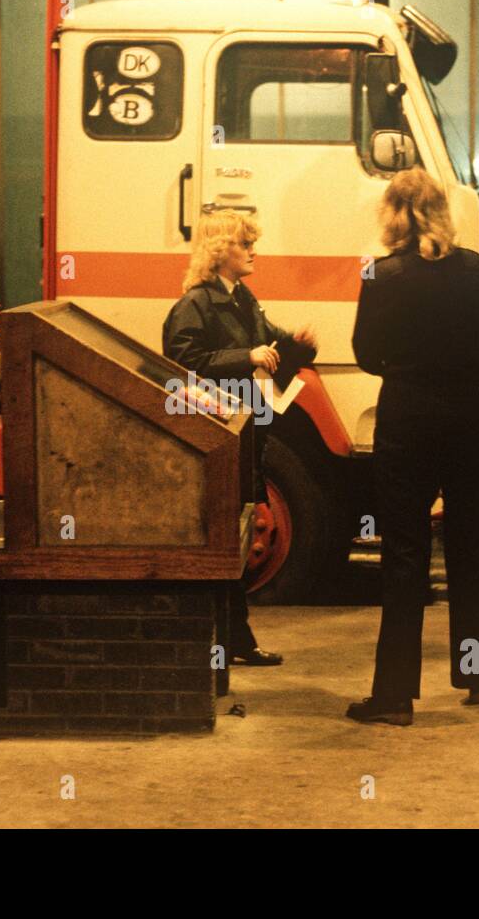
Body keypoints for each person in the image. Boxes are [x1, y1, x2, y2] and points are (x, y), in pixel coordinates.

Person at [346, 168, 479, 726]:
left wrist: (402, 366)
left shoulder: (380, 273)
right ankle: (477, 675)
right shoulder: (477, 270)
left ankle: (394, 697)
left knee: (405, 553)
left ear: (392, 214)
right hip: (470, 414)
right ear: (442, 211)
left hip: (408, 415)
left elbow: (365, 352)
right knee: (469, 545)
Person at [162, 209, 317, 667]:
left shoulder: (241, 297)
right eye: (244, 243)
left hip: (245, 437)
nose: (253, 250)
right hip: (219, 439)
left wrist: (299, 345)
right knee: (226, 538)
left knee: (235, 536)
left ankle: (234, 639)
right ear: (218, 251)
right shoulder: (195, 304)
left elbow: (271, 342)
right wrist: (244, 356)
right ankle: (230, 640)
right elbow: (181, 363)